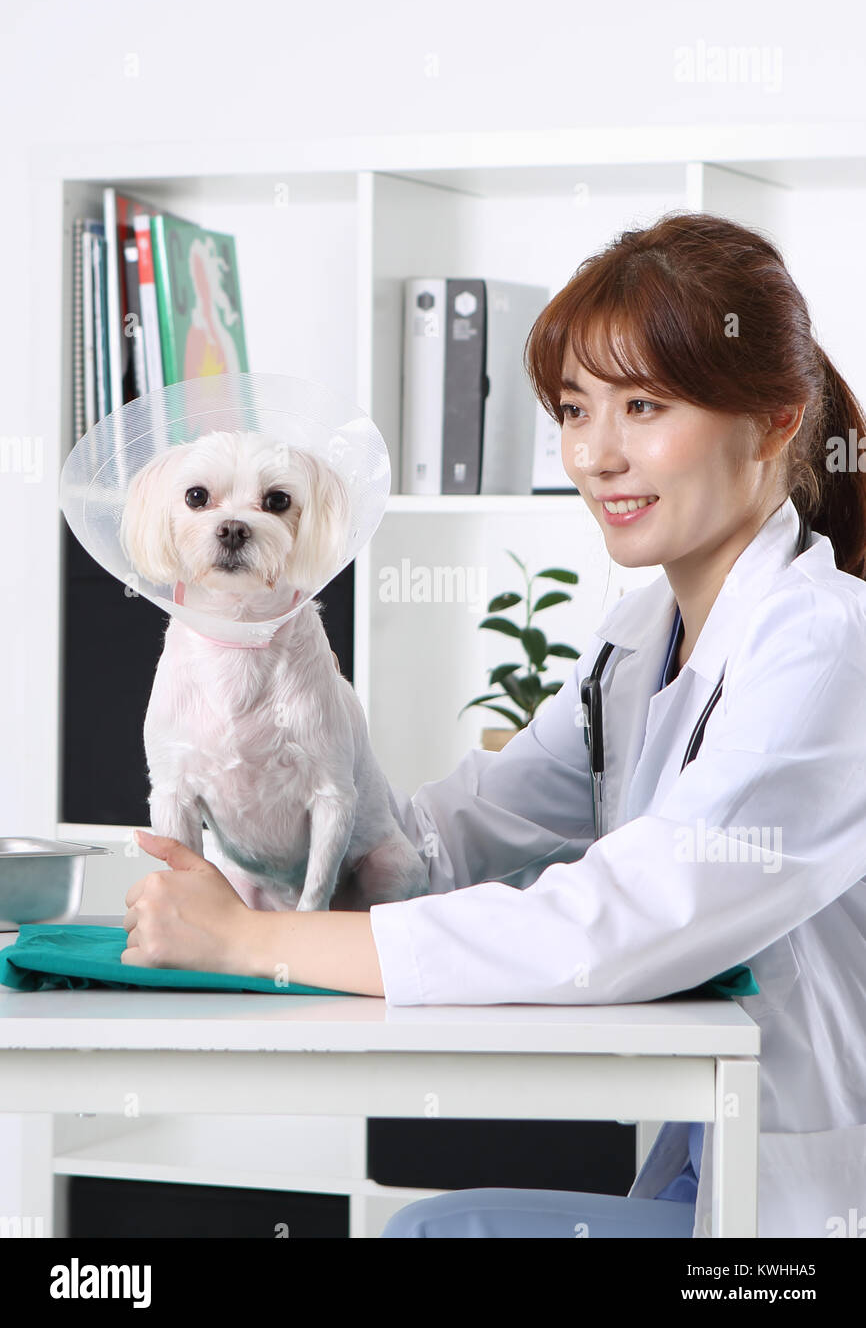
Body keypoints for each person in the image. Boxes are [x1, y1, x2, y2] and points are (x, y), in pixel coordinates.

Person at [126, 212, 866, 1239]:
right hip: (705, 1174)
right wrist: (282, 754)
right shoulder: (637, 638)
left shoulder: (823, 645)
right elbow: (455, 833)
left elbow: (621, 917)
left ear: (779, 420)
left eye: (642, 405)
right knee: (435, 1226)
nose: (595, 454)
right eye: (573, 408)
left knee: (433, 1236)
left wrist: (259, 940)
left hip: (805, 1221)